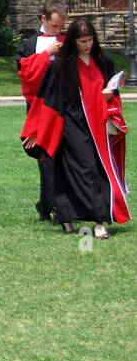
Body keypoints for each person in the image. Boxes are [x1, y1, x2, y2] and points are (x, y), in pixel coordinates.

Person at [21, 18, 129, 238]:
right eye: (82, 41)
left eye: (90, 40)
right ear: (73, 42)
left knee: (95, 170)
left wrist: (110, 94)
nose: (87, 45)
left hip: (98, 124)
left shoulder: (104, 63)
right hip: (72, 124)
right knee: (87, 168)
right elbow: (46, 99)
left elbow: (112, 91)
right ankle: (98, 222)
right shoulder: (61, 66)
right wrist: (36, 130)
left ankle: (64, 214)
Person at [17, 1, 68, 222]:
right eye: (54, 26)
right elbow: (25, 73)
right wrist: (46, 55)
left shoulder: (68, 42)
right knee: (46, 156)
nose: (57, 31)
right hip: (40, 107)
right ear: (44, 19)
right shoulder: (30, 45)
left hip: (64, 106)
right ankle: (52, 204)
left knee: (63, 156)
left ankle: (48, 203)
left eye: (61, 27)